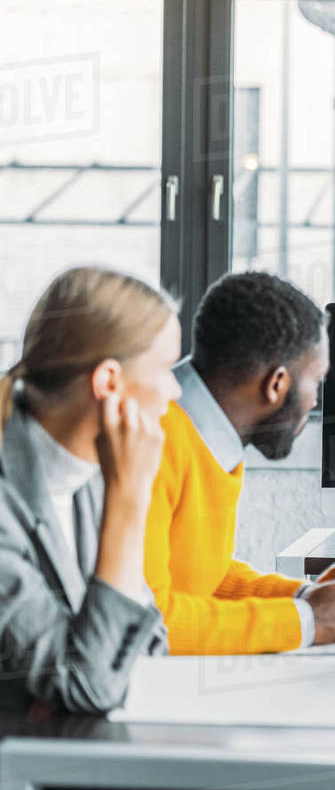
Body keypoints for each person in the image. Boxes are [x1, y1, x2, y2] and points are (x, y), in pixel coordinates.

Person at [144, 272, 335, 654]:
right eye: (316, 382)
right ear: (276, 385)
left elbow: (204, 578)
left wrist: (308, 596)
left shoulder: (208, 433)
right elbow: (148, 625)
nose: (315, 402)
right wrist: (308, 621)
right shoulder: (150, 438)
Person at [0, 267, 179, 713]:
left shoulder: (91, 471)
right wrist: (129, 501)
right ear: (109, 383)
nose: (175, 391)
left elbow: (150, 648)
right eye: (167, 368)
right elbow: (88, 688)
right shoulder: (116, 484)